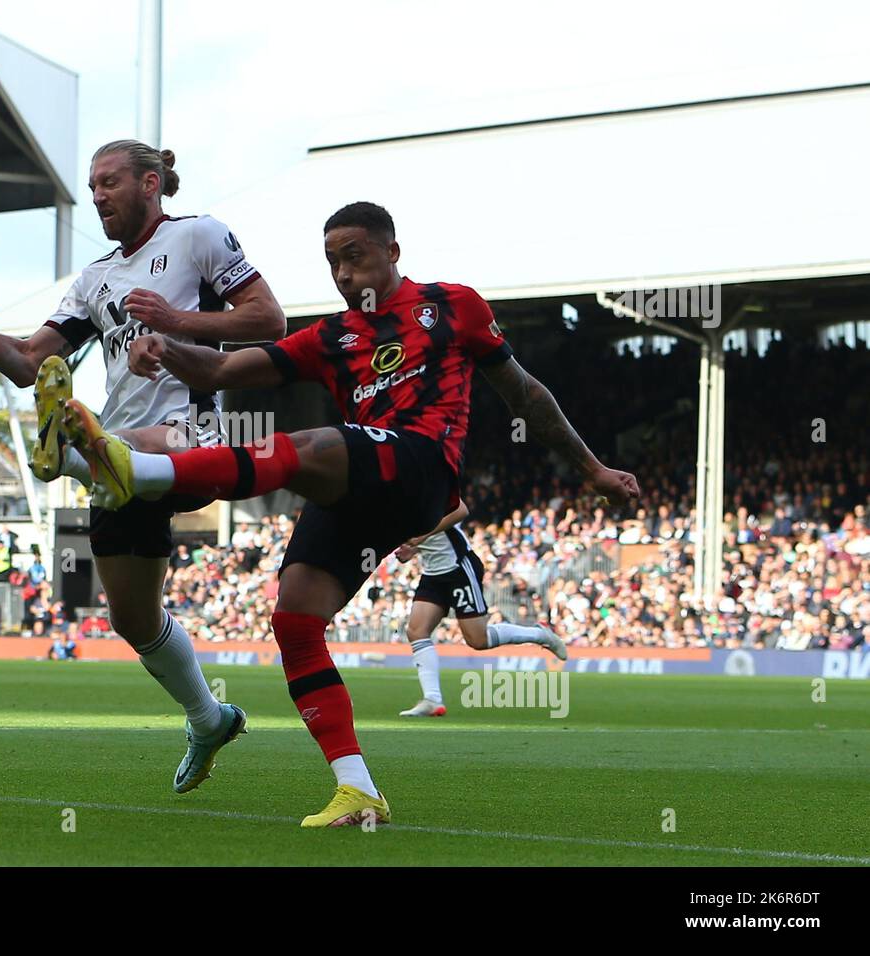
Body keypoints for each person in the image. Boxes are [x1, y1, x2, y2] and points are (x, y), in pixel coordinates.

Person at [67, 201, 640, 827]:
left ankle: (140, 468)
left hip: (422, 467)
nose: (342, 273)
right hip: (364, 491)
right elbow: (227, 367)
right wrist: (167, 347)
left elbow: (525, 392)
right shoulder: (331, 338)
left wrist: (592, 470)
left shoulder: (453, 306)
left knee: (314, 443)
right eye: (332, 261)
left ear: (392, 251)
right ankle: (358, 789)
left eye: (354, 256)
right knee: (293, 619)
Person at [0, 138, 285, 794]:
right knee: (133, 619)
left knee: (128, 444)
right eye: (91, 186)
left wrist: (176, 322)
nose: (97, 196)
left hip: (190, 432)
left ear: (151, 183)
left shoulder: (200, 236)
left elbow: (269, 317)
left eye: (109, 182)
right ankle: (208, 718)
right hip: (122, 452)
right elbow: (29, 363)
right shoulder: (95, 279)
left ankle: (68, 455)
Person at [393, 501, 567, 717]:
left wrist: (421, 536)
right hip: (432, 571)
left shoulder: (426, 484)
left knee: (478, 640)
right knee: (416, 631)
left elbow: (460, 510)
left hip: (458, 567)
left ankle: (539, 634)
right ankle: (432, 699)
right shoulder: (398, 494)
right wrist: (414, 548)